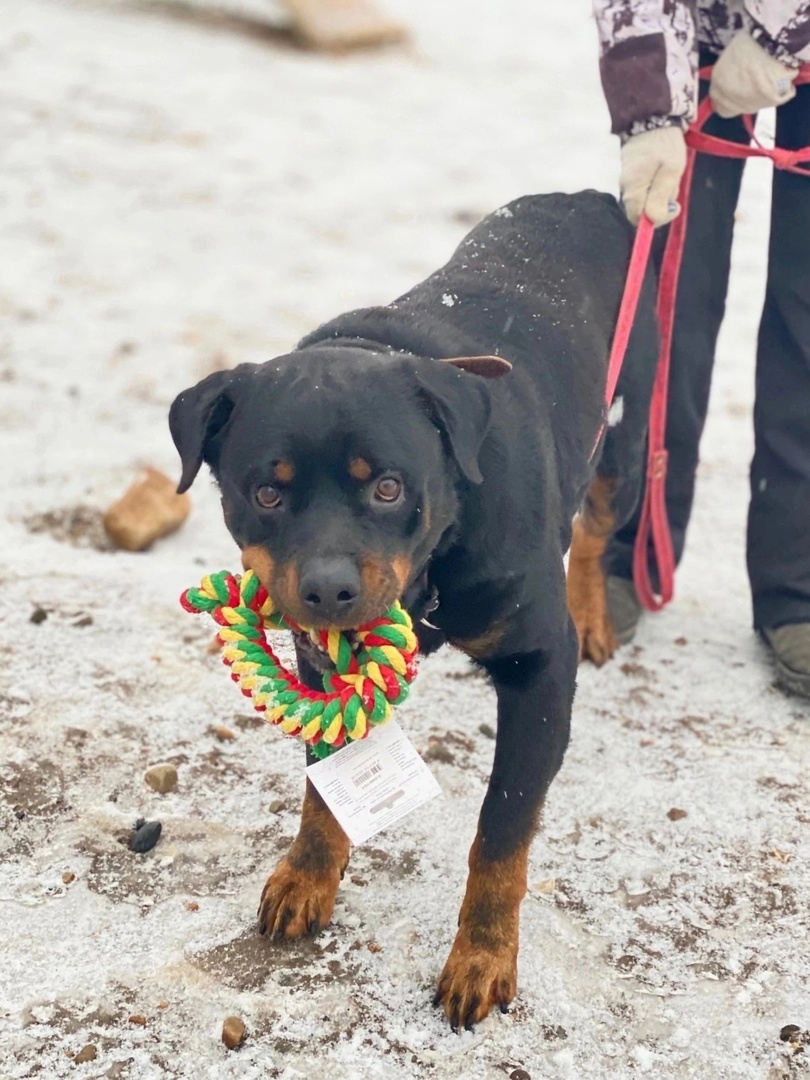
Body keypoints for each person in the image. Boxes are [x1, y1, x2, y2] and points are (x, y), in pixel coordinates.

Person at [592, 1, 810, 697]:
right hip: (699, 37)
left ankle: (798, 586)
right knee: (665, 305)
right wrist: (649, 111)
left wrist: (784, 38)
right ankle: (627, 547)